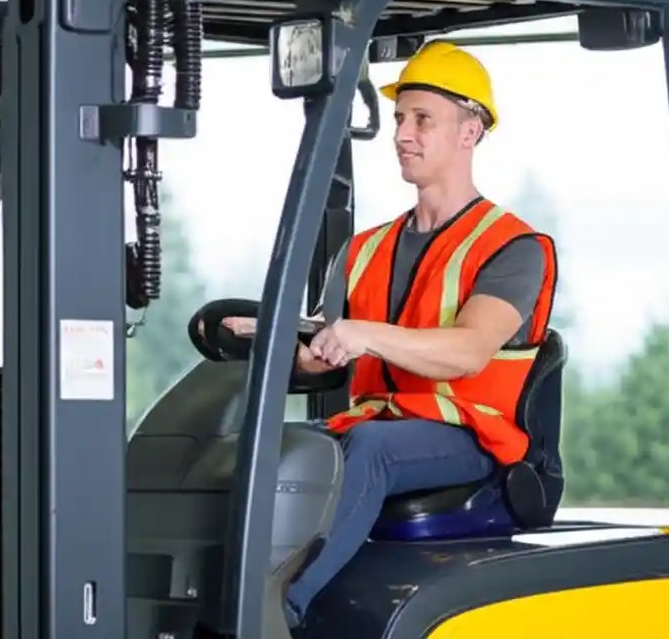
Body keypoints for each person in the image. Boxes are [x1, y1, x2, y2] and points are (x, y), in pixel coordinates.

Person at [224, 40, 558, 632]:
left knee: (367, 450)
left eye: (422, 119)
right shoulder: (364, 250)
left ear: (470, 131)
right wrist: (272, 341)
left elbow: (469, 351)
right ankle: (215, 591)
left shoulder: (512, 247)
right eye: (400, 118)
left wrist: (362, 334)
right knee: (272, 446)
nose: (402, 134)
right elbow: (326, 355)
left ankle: (278, 612)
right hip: (378, 422)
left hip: (471, 436)